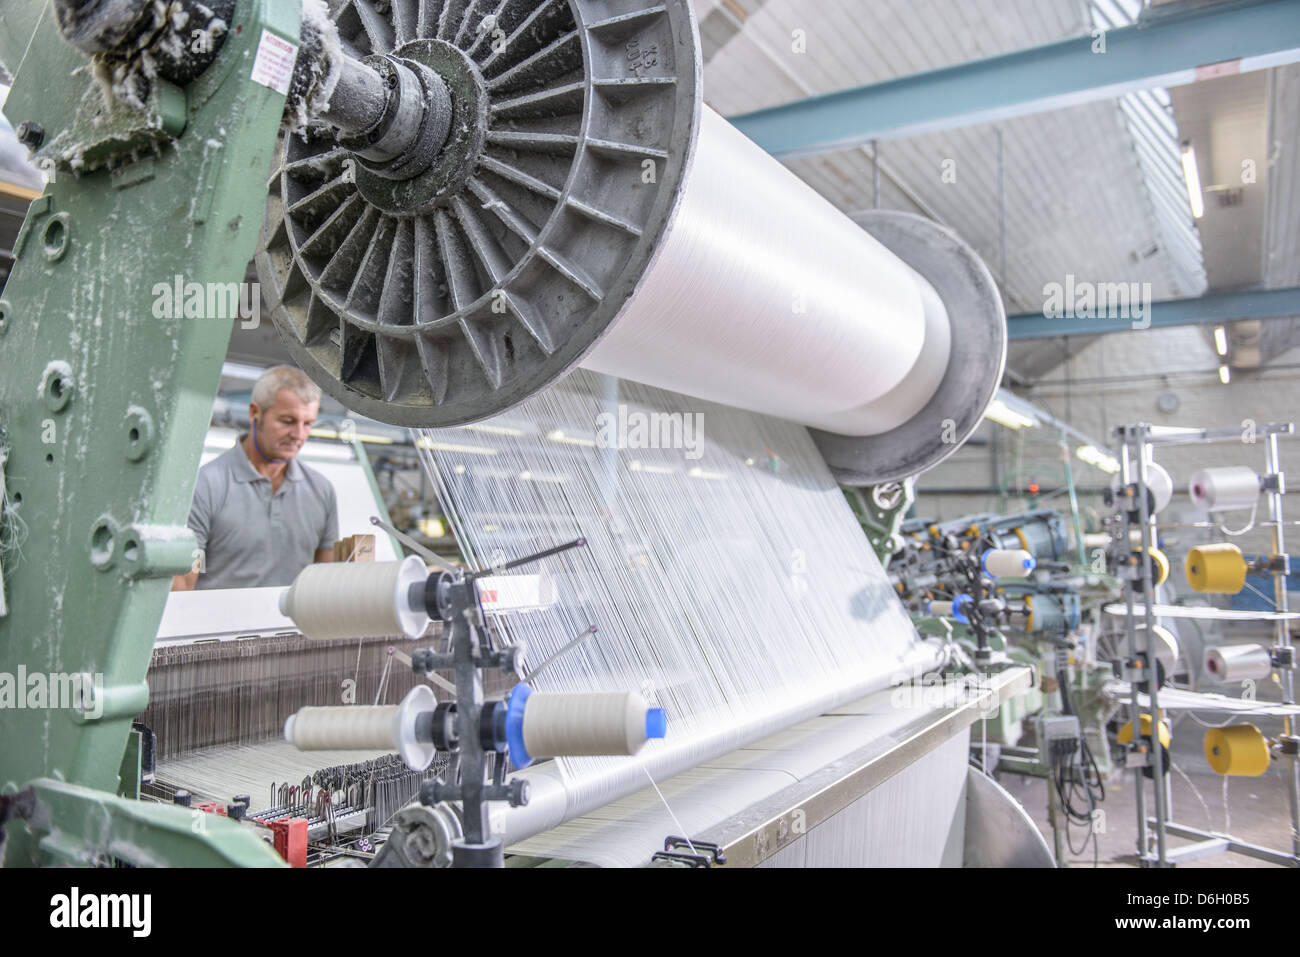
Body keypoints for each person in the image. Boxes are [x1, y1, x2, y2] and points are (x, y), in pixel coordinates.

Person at [172, 366, 338, 590]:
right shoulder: (207, 486)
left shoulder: (321, 491)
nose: (298, 434)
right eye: (287, 421)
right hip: (219, 624)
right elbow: (183, 581)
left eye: (307, 424)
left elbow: (325, 580)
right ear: (254, 413)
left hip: (291, 624)